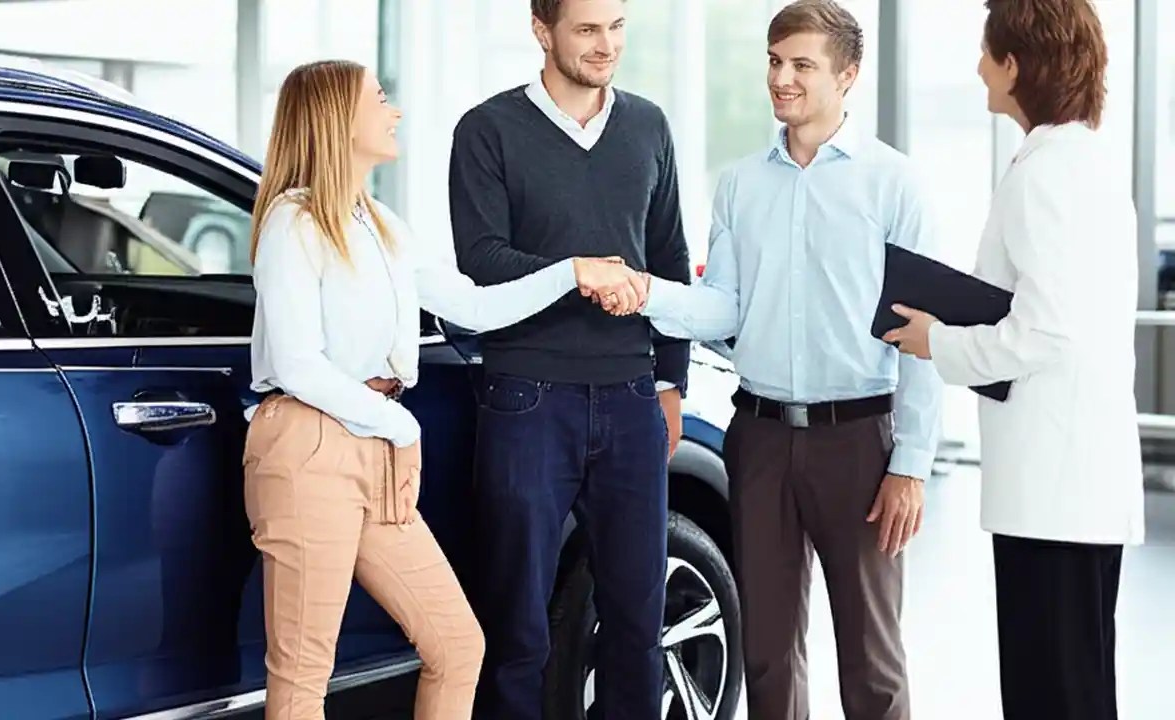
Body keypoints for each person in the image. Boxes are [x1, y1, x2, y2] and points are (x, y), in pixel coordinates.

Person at [242, 59, 644, 720]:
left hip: (371, 446)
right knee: (303, 674)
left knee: (457, 646)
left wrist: (572, 272)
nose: (393, 109)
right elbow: (296, 363)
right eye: (379, 98)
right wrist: (402, 426)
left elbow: (477, 307)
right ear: (340, 118)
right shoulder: (294, 222)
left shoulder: (379, 223)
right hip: (310, 447)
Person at [625, 2, 943, 718]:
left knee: (873, 659)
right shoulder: (741, 183)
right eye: (774, 61)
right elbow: (724, 310)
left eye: (802, 64)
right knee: (768, 652)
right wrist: (645, 293)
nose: (782, 78)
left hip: (860, 442)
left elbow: (923, 334)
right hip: (760, 437)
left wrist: (912, 465)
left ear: (848, 74)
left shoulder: (894, 184)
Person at [882, 1, 1145, 717]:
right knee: (1078, 684)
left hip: (1054, 491)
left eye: (986, 54)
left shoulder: (1046, 175)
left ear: (1016, 65)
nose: (978, 68)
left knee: (1050, 690)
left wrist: (939, 341)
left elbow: (1045, 329)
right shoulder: (1083, 163)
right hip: (1076, 483)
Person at [446, 0, 690, 715]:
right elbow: (482, 260)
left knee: (638, 623)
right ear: (540, 30)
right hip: (526, 398)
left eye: (617, 27)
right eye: (587, 29)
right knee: (516, 623)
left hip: (631, 398)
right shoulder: (487, 130)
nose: (606, 45)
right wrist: (576, 270)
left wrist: (670, 379)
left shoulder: (648, 126)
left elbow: (668, 261)